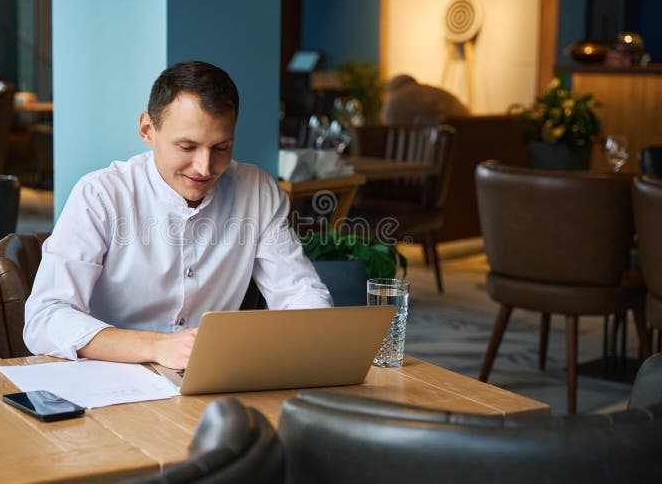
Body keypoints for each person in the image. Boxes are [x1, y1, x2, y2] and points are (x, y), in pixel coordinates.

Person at [24, 61, 332, 369]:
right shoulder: (100, 195)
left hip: (213, 383)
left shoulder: (258, 191)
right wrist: (156, 347)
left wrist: (323, 333)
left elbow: (299, 292)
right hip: (110, 382)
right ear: (147, 129)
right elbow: (46, 317)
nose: (204, 167)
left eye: (221, 148)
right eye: (187, 146)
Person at [380, 74, 469, 125]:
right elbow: (463, 112)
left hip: (402, 148)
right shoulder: (427, 90)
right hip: (440, 144)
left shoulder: (392, 100)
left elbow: (388, 124)